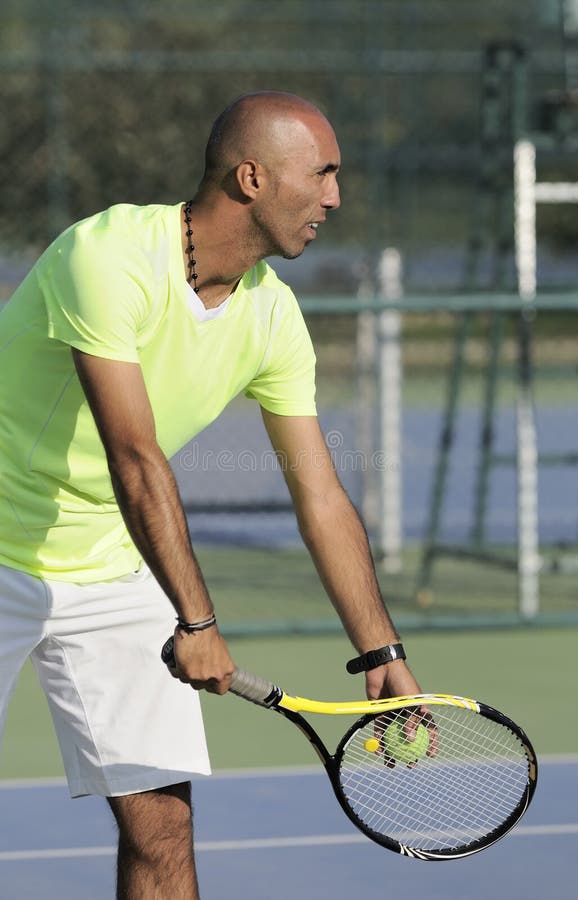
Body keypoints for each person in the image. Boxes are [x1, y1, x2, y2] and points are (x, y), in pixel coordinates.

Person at [0, 91, 423, 899]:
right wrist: (197, 621)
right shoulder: (108, 255)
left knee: (162, 827)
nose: (335, 197)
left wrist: (384, 655)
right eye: (323, 174)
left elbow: (322, 495)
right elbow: (135, 455)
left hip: (110, 566)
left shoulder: (272, 314)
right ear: (253, 177)